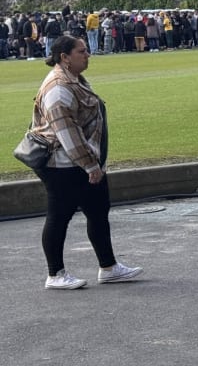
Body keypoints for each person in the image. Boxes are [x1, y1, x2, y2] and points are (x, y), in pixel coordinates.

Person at [29, 35, 143, 289]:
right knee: (60, 215)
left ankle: (109, 267)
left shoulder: (72, 80)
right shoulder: (58, 88)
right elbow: (67, 134)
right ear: (64, 57)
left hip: (77, 162)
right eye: (82, 51)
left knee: (98, 211)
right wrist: (90, 165)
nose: (87, 54)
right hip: (62, 165)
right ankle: (55, 274)